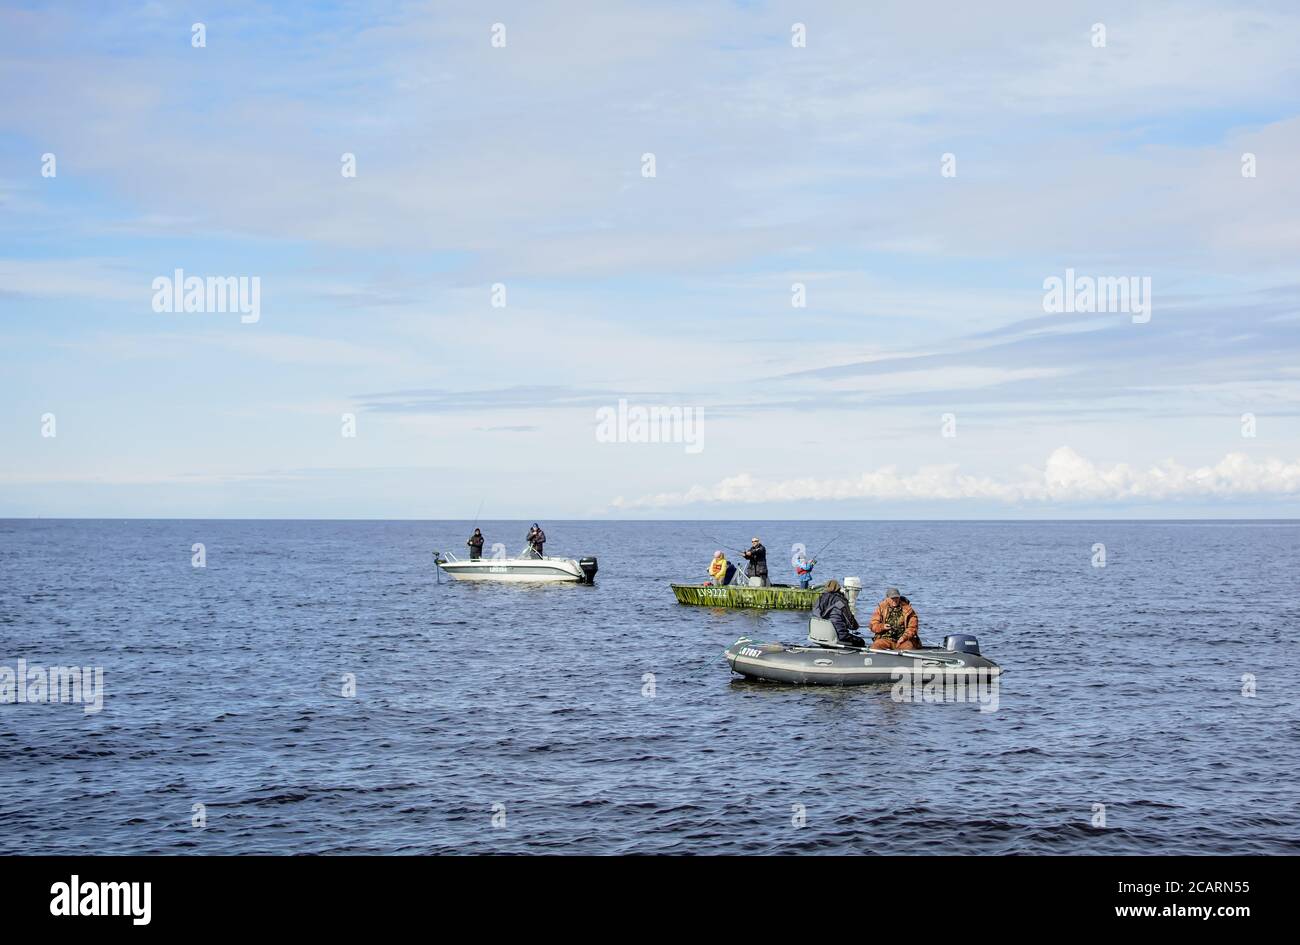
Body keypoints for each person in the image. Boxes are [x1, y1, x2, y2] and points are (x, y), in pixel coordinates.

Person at [813, 579, 864, 646]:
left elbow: (815, 615)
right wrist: (856, 626)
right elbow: (851, 624)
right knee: (861, 641)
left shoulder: (819, 600)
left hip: (819, 635)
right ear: (838, 588)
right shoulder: (840, 602)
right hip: (838, 635)